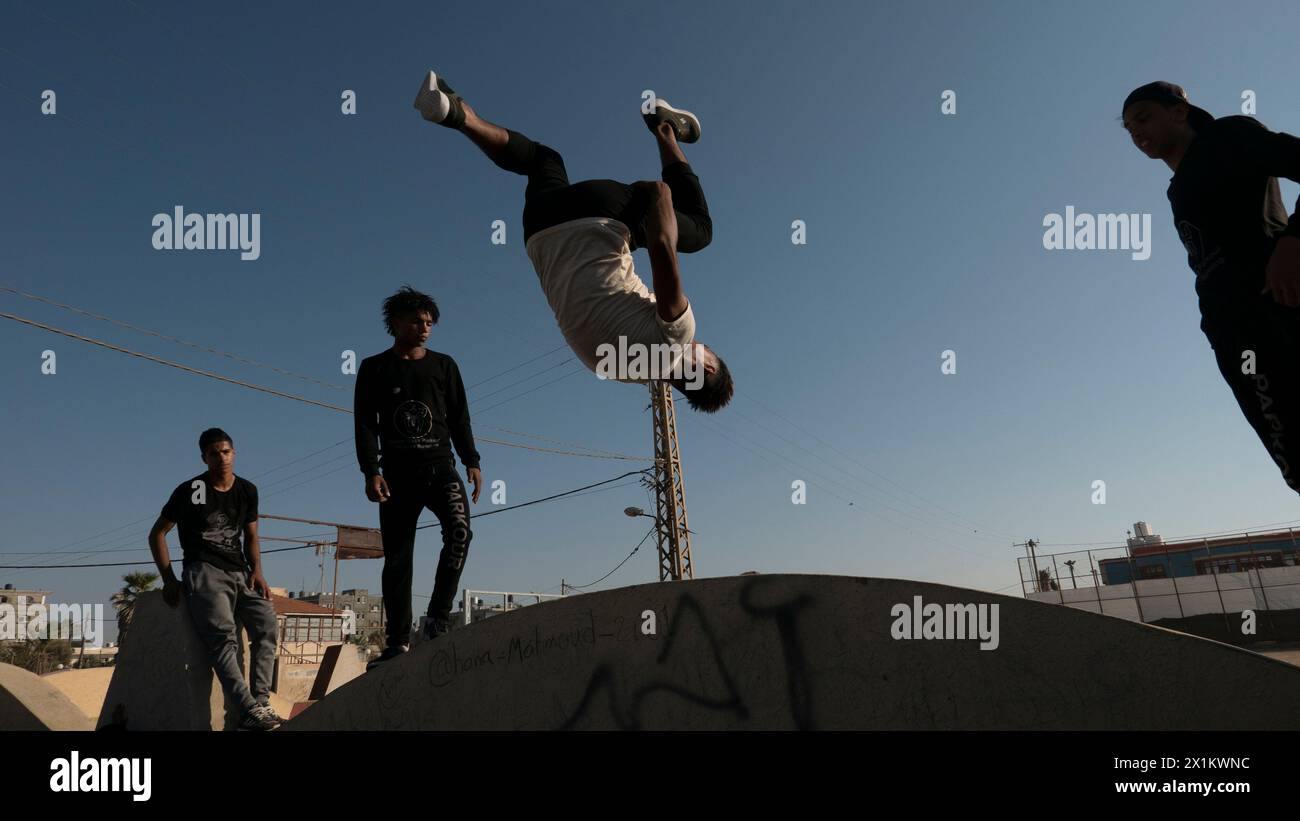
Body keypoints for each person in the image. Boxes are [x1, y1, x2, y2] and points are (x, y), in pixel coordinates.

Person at [413, 70, 733, 412]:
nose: (701, 343)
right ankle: (455, 113)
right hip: (539, 231)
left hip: (598, 218)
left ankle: (665, 129)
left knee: (700, 231)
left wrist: (660, 195)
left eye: (707, 349)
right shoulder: (623, 371)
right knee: (543, 162)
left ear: (707, 365)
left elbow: (662, 250)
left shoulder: (677, 340)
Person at [1122, 81, 1300, 497]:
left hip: (1280, 307)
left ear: (1180, 111)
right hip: (1232, 331)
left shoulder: (1229, 136)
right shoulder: (1176, 188)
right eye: (1129, 129)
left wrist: (1294, 240)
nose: (1136, 133)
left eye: (1144, 118)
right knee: (1291, 455)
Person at [354, 286, 483, 669]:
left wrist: (471, 460)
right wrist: (370, 470)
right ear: (394, 323)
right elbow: (365, 424)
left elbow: (460, 416)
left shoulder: (444, 365)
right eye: (416, 321)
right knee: (397, 559)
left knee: (460, 533)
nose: (424, 328)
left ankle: (437, 621)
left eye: (429, 322)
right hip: (396, 475)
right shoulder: (374, 368)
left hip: (441, 468)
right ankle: (396, 642)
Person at [148, 428, 282, 731]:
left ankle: (260, 703)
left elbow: (251, 535)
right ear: (204, 458)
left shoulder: (247, 490)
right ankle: (246, 708)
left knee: (267, 626)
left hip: (240, 572)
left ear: (234, 453)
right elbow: (157, 533)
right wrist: (169, 579)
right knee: (223, 641)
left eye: (225, 451)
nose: (221, 458)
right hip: (204, 573)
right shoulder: (192, 489)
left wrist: (257, 570)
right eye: (214, 453)